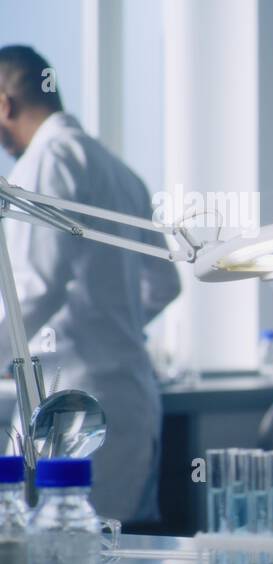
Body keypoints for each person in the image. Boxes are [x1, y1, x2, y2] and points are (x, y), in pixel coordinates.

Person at [0, 45, 180, 524]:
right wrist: (110, 324)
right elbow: (164, 283)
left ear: (4, 104)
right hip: (130, 398)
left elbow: (36, 287)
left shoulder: (48, 159)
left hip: (73, 406)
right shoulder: (119, 172)